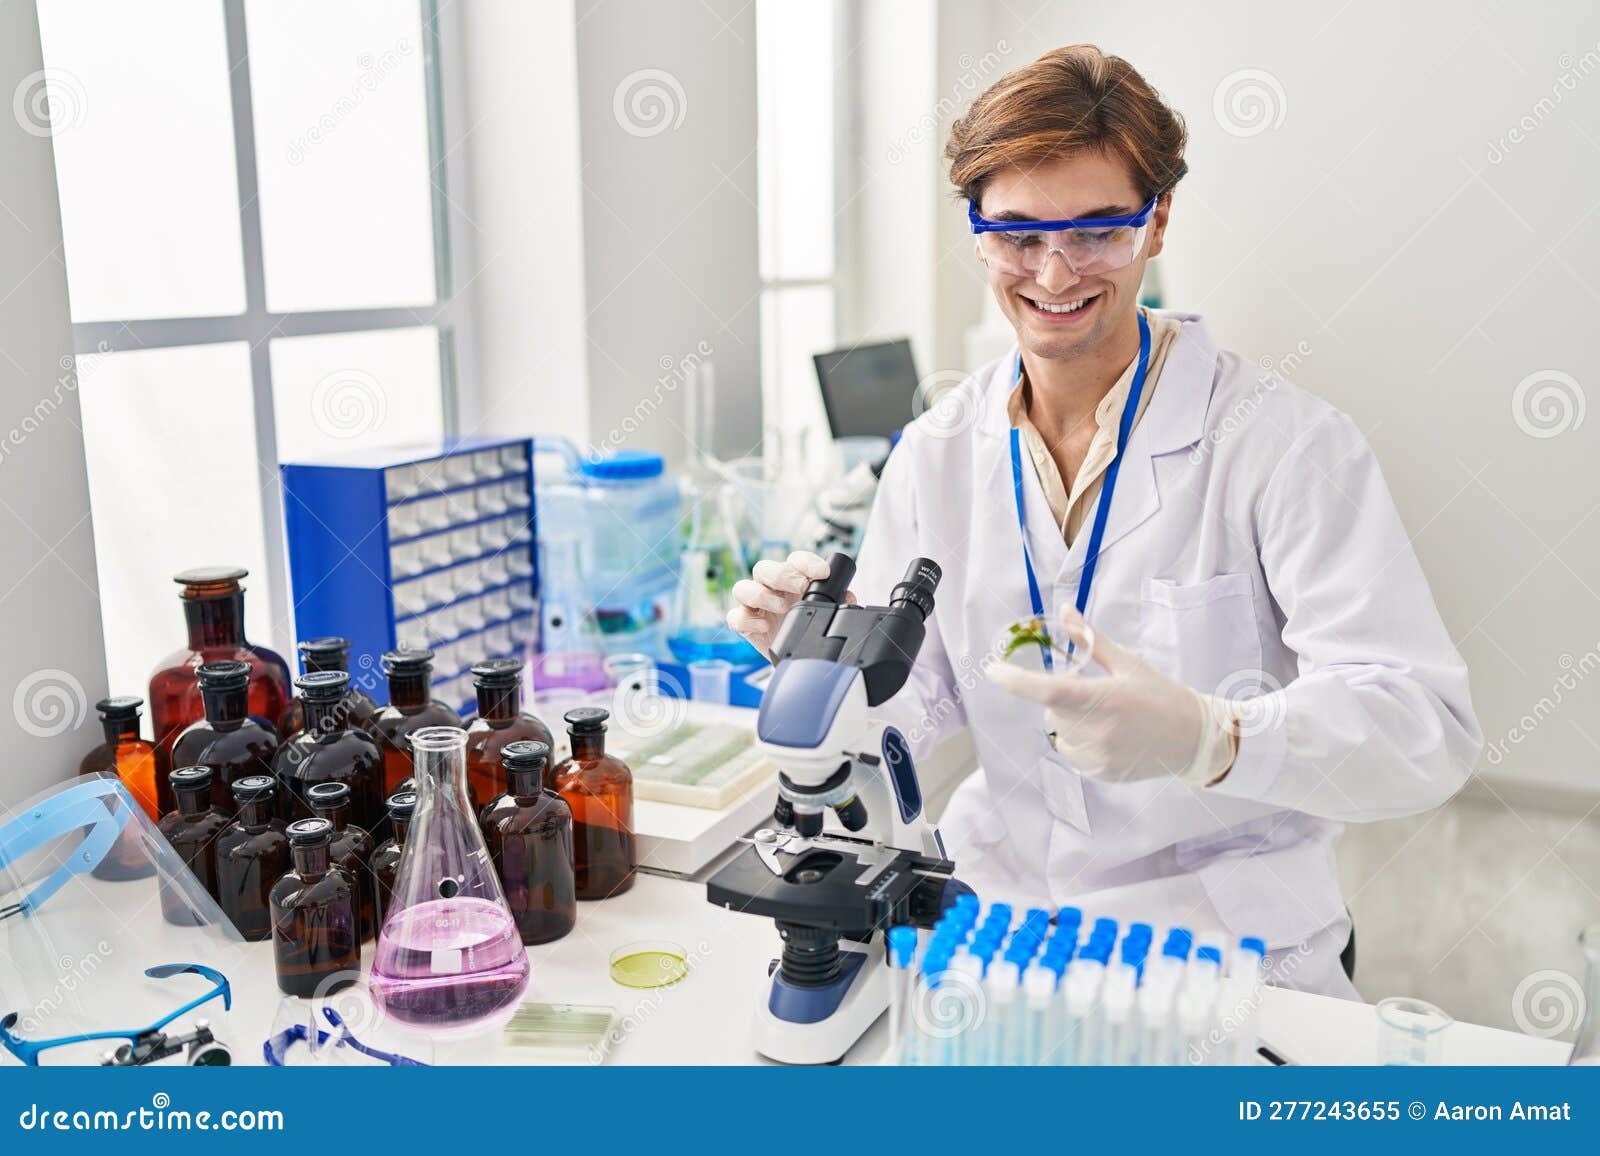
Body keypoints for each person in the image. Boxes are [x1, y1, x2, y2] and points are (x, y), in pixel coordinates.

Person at [728, 45, 1480, 999]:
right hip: (1000, 936)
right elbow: (910, 709)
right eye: (1018, 233)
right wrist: (812, 665)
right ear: (977, 233)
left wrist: (1214, 737)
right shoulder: (935, 453)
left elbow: (1425, 730)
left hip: (1225, 953)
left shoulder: (1284, 445)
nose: (1053, 270)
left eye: (1097, 229)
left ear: (1158, 220)